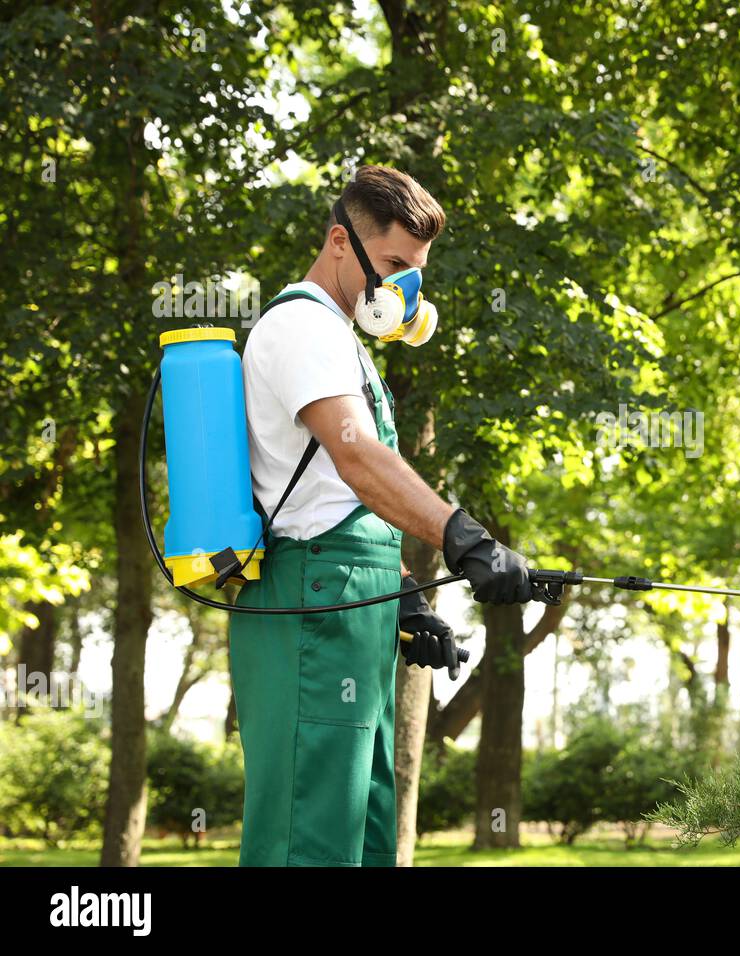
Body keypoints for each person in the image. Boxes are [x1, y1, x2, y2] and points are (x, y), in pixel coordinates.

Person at [230, 164, 540, 867]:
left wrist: (404, 596)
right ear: (342, 241)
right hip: (311, 609)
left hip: (350, 609)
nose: (403, 288)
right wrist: (465, 538)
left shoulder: (341, 339)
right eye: (395, 264)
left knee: (361, 837)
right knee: (307, 840)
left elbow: (335, 503)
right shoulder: (304, 327)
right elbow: (359, 461)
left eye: (416, 272)